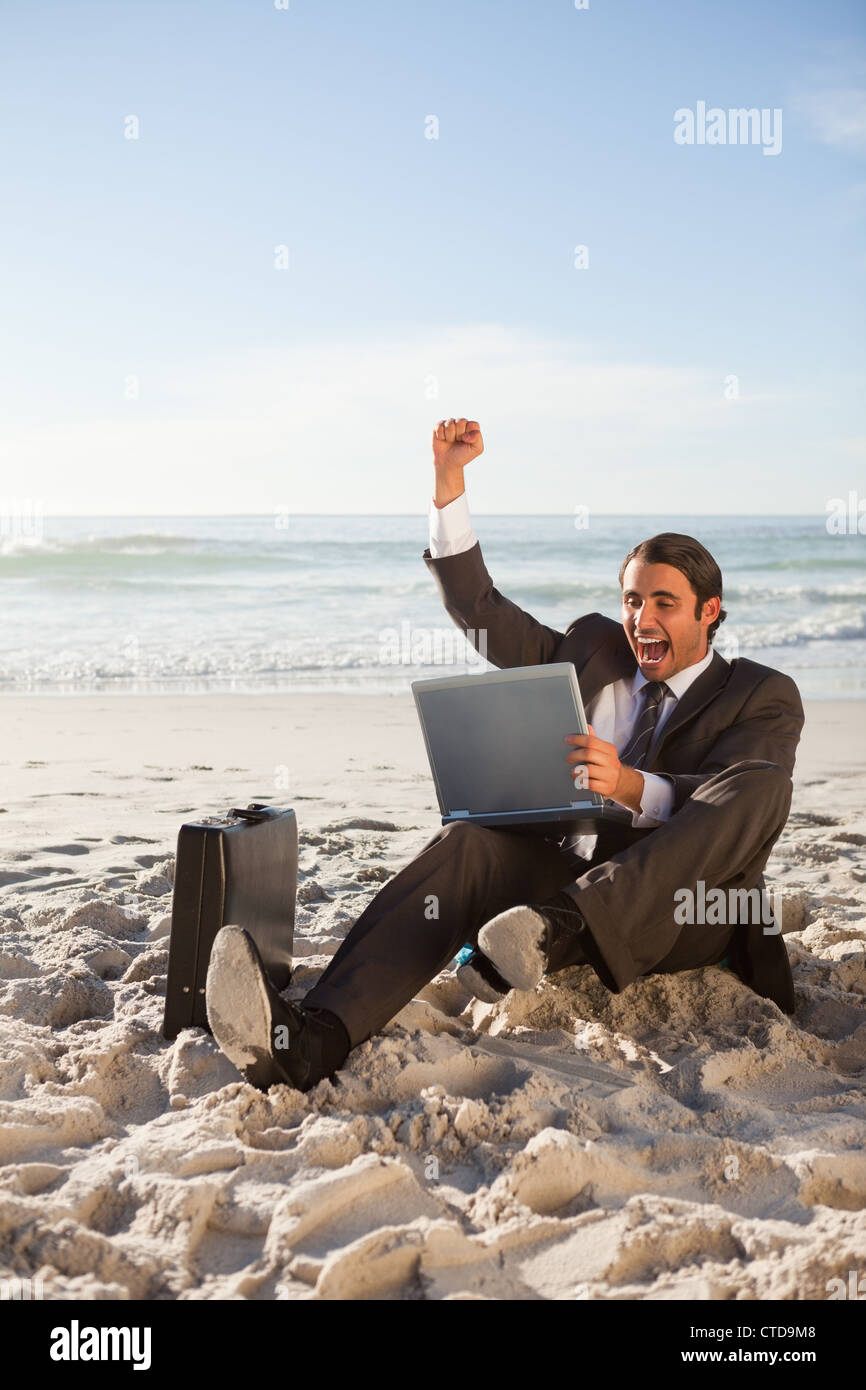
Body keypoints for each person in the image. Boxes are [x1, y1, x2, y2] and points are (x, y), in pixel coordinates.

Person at [206, 417, 804, 1093]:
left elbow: (737, 804)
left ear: (709, 612)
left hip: (685, 911)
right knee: (465, 843)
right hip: (551, 894)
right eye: (633, 600)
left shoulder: (761, 693)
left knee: (762, 785)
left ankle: (561, 925)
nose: (642, 619)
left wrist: (634, 786)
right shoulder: (592, 647)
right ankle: (313, 1039)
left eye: (665, 603)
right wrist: (449, 482)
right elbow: (482, 611)